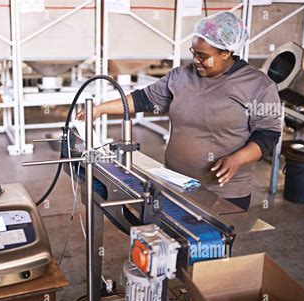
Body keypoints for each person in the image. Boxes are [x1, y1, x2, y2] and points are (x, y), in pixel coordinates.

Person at [76, 12, 282, 211]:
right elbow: (143, 100)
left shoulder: (258, 85)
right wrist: (100, 109)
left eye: (203, 56)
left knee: (209, 244)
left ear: (226, 52)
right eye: (194, 53)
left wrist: (237, 158)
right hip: (175, 183)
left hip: (223, 193)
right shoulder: (181, 76)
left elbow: (268, 134)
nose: (196, 61)